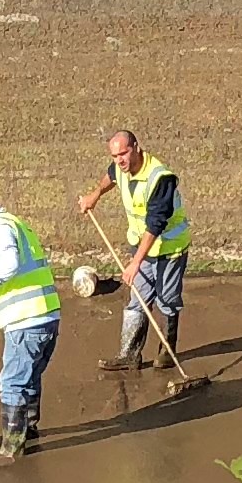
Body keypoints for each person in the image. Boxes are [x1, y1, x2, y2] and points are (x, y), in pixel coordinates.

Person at [77, 127, 191, 378]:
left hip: (169, 249)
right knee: (137, 299)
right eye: (115, 156)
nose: (120, 160)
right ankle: (129, 354)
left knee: (167, 300)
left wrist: (134, 263)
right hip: (142, 247)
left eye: (124, 154)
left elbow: (155, 225)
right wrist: (94, 195)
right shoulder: (119, 168)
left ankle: (166, 351)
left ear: (136, 147)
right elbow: (111, 176)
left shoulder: (160, 179)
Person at [0, 187, 63, 458]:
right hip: (47, 317)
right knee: (29, 378)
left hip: (27, 322)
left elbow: (9, 266)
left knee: (12, 383)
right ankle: (28, 430)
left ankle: (11, 447)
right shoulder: (19, 225)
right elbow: (18, 280)